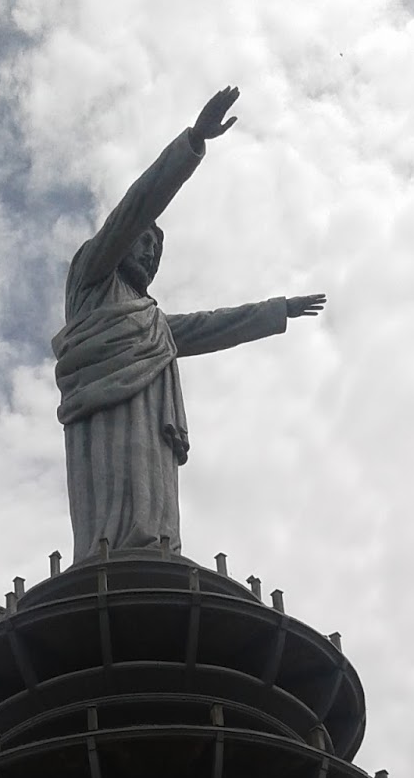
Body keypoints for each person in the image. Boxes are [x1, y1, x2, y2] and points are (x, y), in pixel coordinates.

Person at [52, 84, 326, 563]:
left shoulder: (152, 323)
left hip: (149, 432)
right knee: (113, 508)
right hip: (104, 427)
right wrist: (193, 142)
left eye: (157, 250)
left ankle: (157, 547)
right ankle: (114, 555)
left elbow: (212, 326)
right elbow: (138, 205)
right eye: (143, 242)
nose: (150, 252)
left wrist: (278, 310)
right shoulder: (92, 282)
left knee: (153, 496)